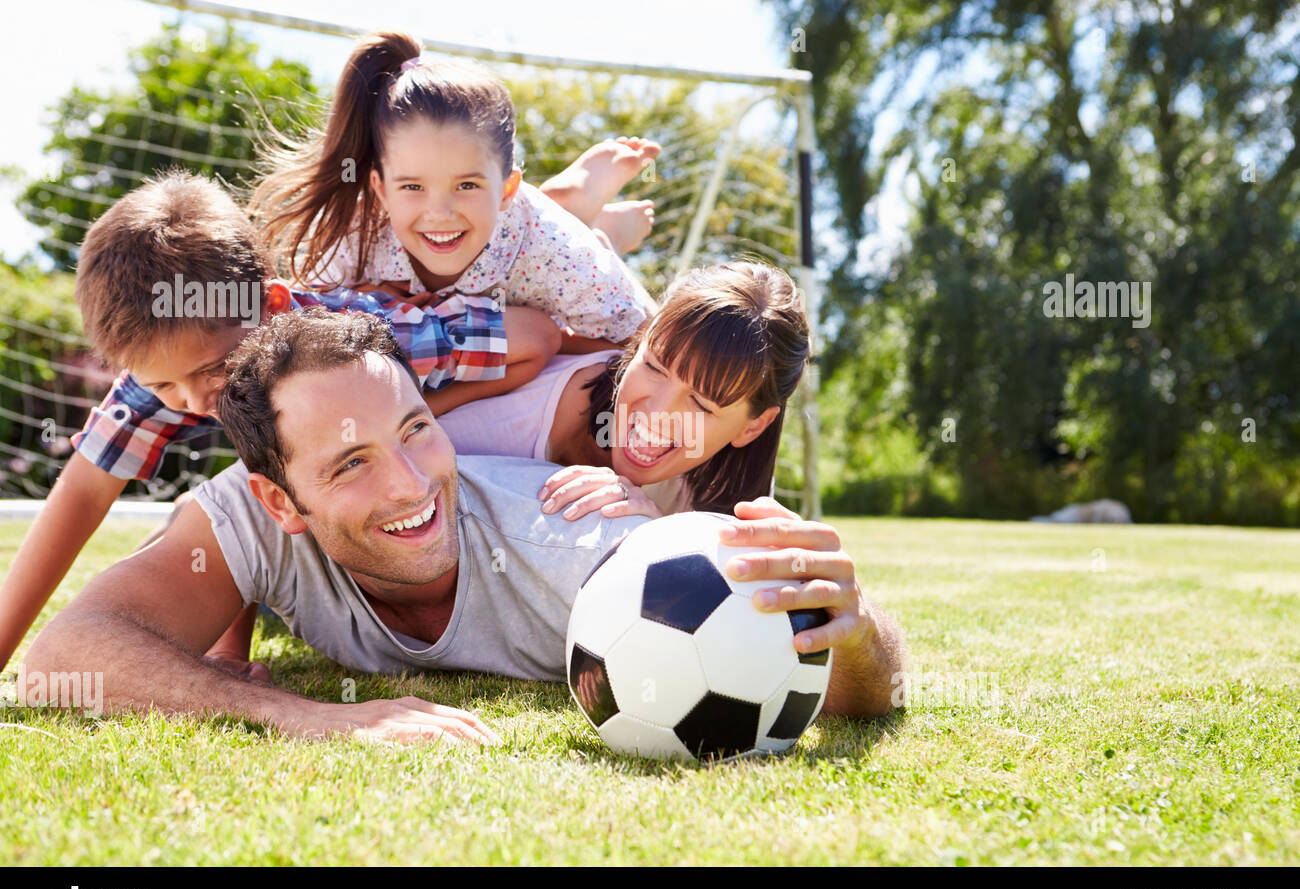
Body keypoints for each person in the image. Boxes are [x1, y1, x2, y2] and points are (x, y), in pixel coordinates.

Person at [21, 308, 908, 744]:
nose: (412, 484)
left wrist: (859, 634)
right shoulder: (245, 524)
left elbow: (841, 686)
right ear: (281, 502)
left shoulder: (581, 551)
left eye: (415, 429)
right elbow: (64, 657)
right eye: (352, 460)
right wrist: (302, 716)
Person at [0, 123, 658, 675]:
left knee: (553, 329)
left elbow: (536, 335)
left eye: (212, 371)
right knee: (221, 499)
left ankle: (586, 220)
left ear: (272, 310)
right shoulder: (163, 369)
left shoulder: (359, 339)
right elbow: (80, 496)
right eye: (163, 385)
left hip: (474, 277)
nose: (192, 399)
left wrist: (424, 415)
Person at [249, 31, 658, 392]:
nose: (439, 212)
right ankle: (578, 205)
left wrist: (544, 331)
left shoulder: (556, 251)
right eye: (412, 187)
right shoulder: (354, 233)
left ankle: (601, 229)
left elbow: (637, 342)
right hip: (510, 230)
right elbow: (309, 315)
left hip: (532, 255)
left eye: (466, 185)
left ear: (506, 189)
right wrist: (369, 297)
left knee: (574, 297)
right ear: (379, 190)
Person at [437, 260, 809, 521]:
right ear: (639, 345)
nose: (658, 412)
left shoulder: (720, 509)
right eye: (653, 366)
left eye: (701, 403)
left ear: (753, 427)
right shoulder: (530, 375)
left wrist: (649, 537)